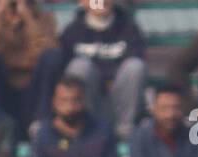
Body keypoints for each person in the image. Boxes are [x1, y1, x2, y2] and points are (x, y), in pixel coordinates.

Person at [0, 0, 62, 136]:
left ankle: (40, 124)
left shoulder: (46, 18)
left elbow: (47, 50)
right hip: (1, 85)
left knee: (51, 57)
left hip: (35, 87)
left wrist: (28, 17)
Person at [57, 0, 147, 139]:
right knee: (79, 66)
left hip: (120, 100)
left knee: (135, 66)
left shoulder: (129, 27)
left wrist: (108, 79)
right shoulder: (72, 31)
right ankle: (87, 129)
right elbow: (65, 74)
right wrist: (104, 79)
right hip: (89, 100)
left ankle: (124, 133)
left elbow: (136, 59)